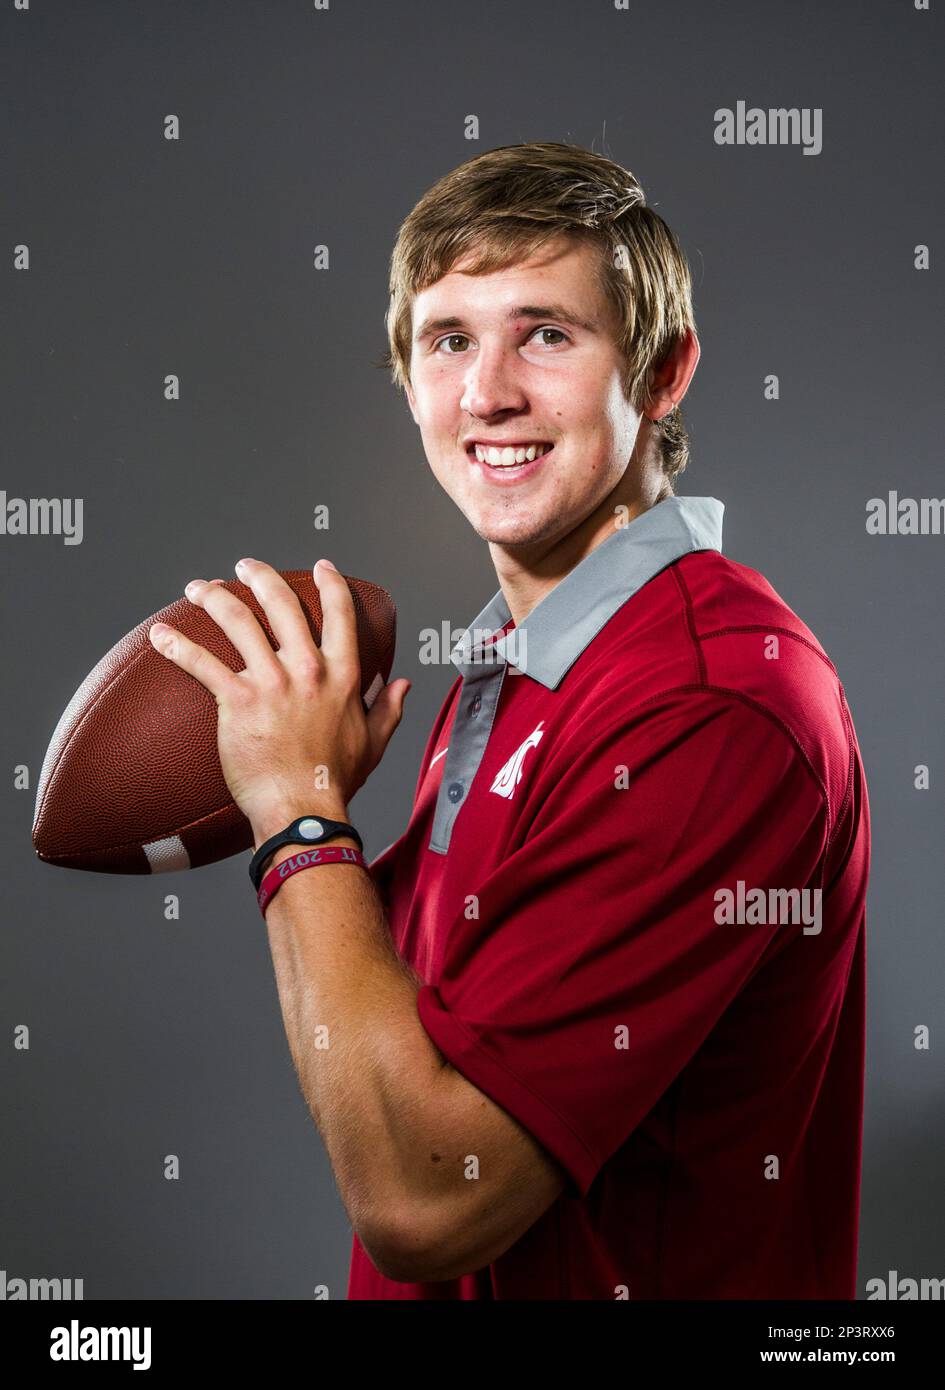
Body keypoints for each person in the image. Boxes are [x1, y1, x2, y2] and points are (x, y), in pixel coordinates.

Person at [153, 141, 870, 1299]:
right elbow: (418, 1045)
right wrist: (298, 801)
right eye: (449, 340)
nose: (488, 392)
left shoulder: (709, 702)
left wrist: (296, 814)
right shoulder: (522, 657)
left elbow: (427, 1201)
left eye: (546, 332)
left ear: (663, 368)